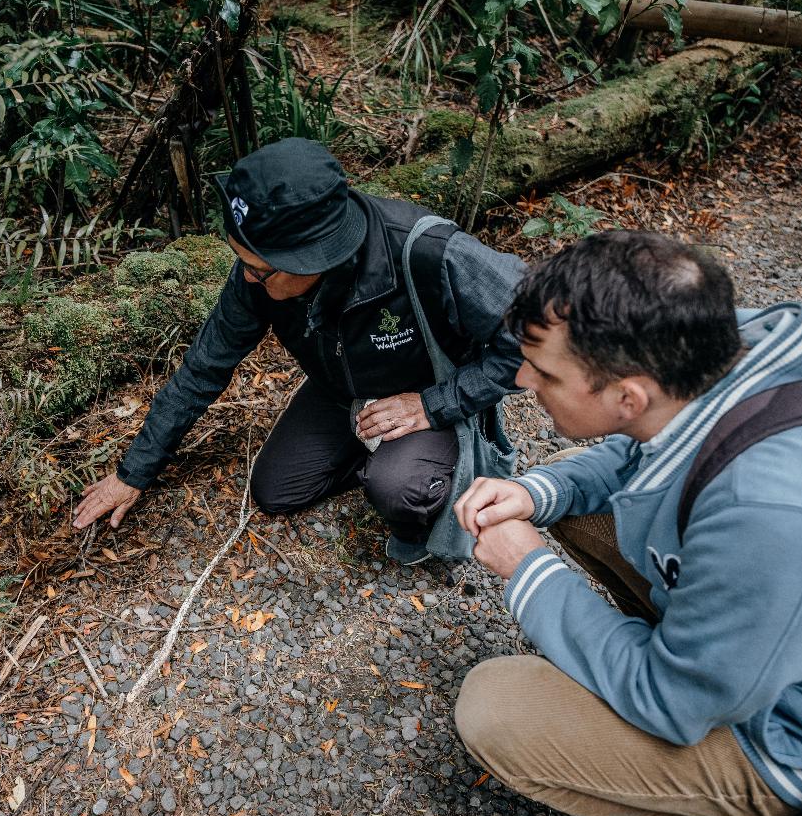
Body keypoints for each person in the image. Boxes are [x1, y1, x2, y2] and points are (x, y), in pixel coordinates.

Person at [450, 231, 802, 816]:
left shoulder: (772, 515)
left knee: (498, 709)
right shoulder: (730, 342)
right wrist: (537, 491)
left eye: (545, 371)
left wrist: (529, 569)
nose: (523, 379)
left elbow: (671, 701)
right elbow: (641, 448)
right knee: (572, 506)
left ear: (628, 395)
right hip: (779, 614)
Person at [71, 137, 525, 563]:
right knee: (277, 490)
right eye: (242, 262)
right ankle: (379, 449)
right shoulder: (258, 274)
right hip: (341, 389)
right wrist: (133, 473)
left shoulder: (427, 251)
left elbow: (533, 336)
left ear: (317, 257)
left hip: (426, 391)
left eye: (262, 271)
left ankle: (422, 471)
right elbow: (203, 368)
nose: (248, 280)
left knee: (397, 487)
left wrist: (434, 404)